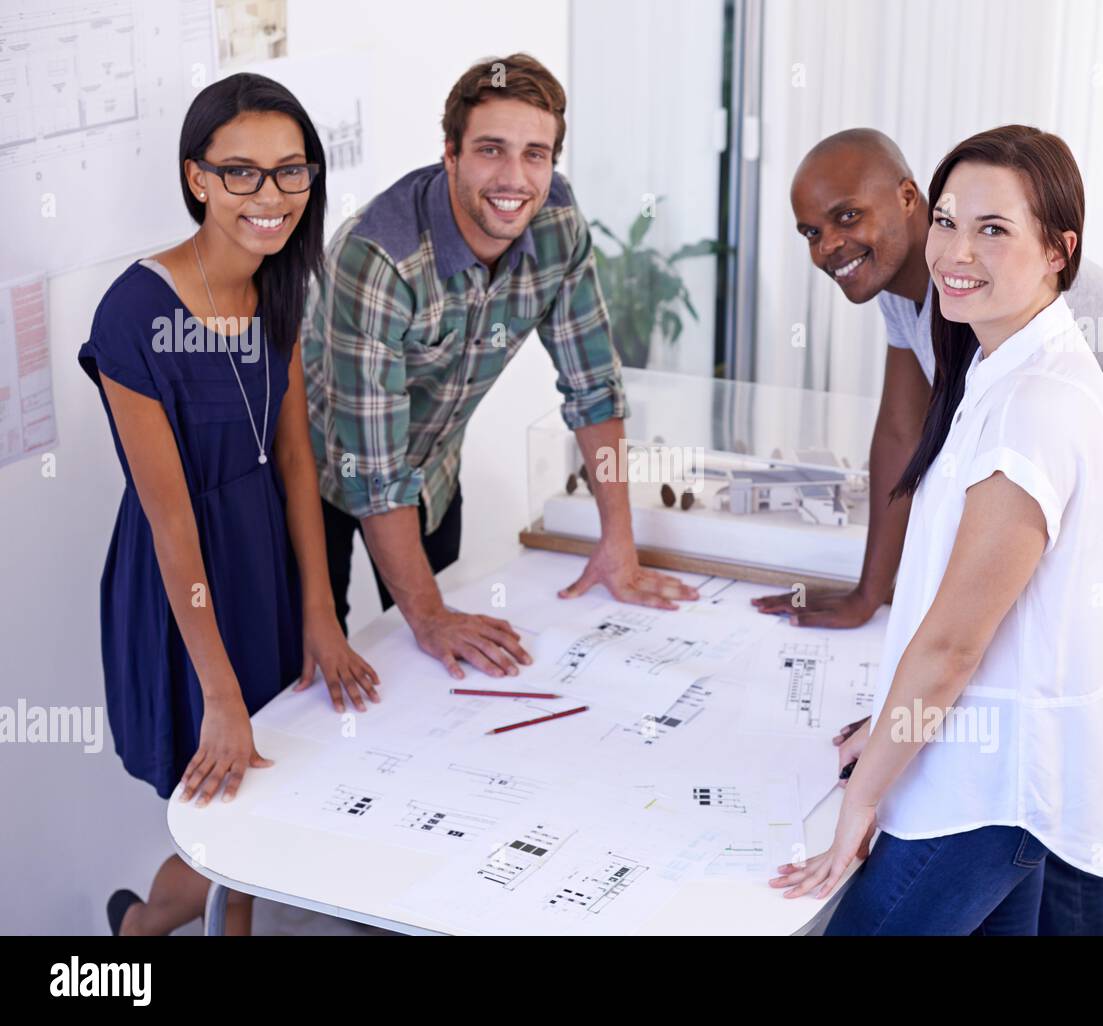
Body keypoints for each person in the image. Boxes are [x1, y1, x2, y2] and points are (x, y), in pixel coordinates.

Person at [757, 127, 1103, 934]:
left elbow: (961, 643)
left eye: (847, 216)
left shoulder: (1038, 374)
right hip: (1079, 535)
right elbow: (905, 433)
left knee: (1084, 784)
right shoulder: (948, 296)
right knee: (1044, 788)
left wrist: (875, 779)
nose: (831, 245)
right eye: (812, 231)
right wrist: (872, 605)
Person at [770, 126, 1103, 934]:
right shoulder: (1002, 365)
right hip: (988, 777)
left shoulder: (1033, 408)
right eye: (949, 222)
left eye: (993, 230)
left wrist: (860, 804)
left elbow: (955, 645)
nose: (956, 252)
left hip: (976, 794)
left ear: (1057, 251)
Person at [80, 73, 375, 936]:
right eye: (240, 172)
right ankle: (142, 931)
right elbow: (170, 520)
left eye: (291, 171)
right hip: (186, 596)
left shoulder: (278, 283)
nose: (270, 195)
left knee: (260, 816)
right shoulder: (133, 313)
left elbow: (293, 456)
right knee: (226, 817)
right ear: (197, 178)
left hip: (265, 573)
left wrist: (321, 614)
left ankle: (141, 927)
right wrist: (218, 688)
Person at [303, 53, 697, 681]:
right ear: (450, 153)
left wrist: (617, 542)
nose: (514, 178)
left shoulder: (557, 223)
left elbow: (594, 387)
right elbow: (373, 474)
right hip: (309, 473)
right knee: (317, 674)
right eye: (491, 149)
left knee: (430, 677)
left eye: (535, 154)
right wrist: (430, 617)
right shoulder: (380, 257)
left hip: (429, 472)